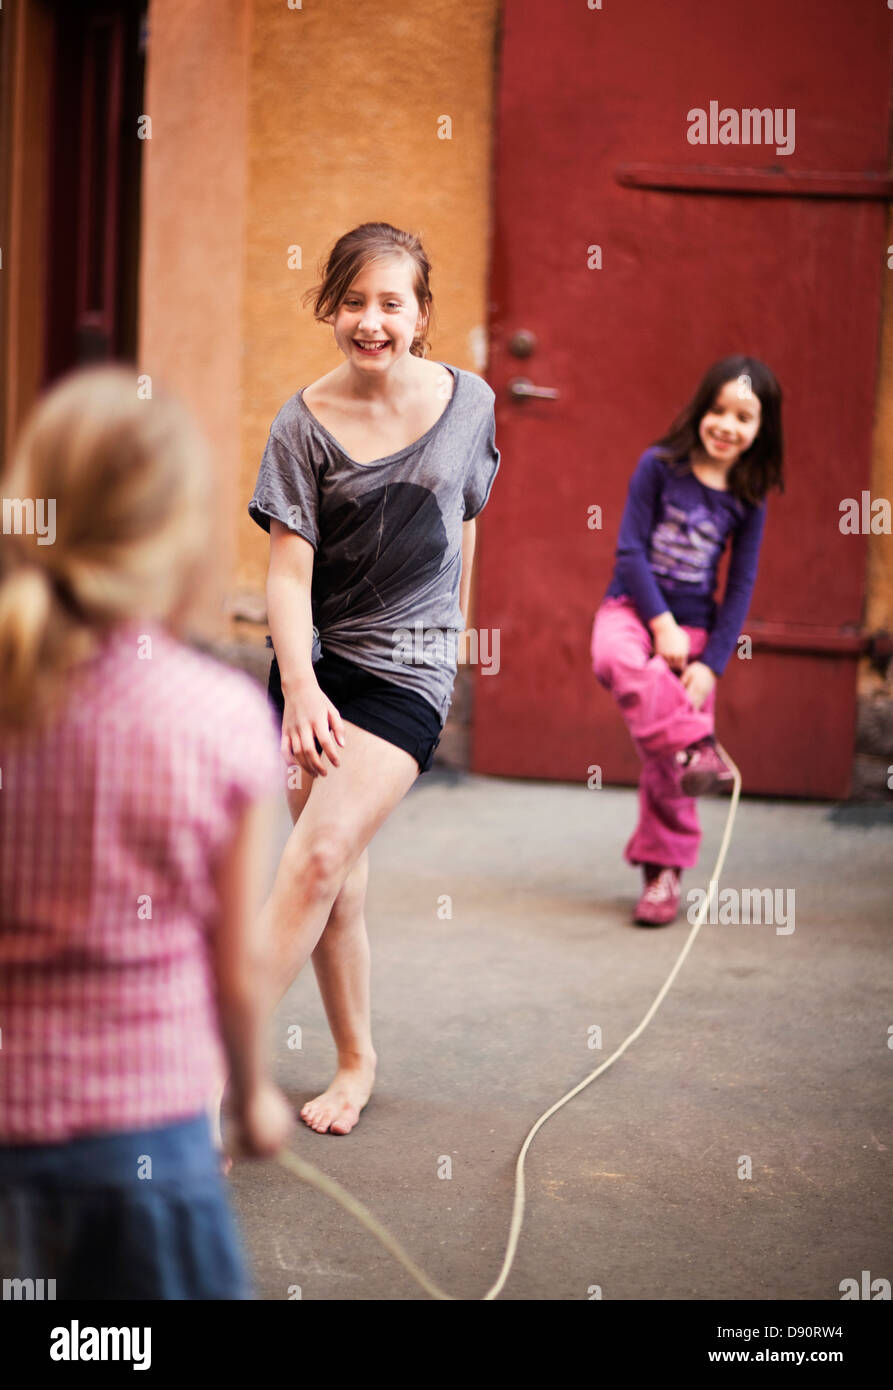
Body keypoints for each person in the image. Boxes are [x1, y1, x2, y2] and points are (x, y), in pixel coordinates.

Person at [0, 366, 293, 1299]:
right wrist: (250, 1098)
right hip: (145, 1149)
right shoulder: (221, 717)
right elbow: (234, 964)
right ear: (177, 537)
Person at [247, 221, 500, 1135]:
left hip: (407, 675)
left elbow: (461, 515)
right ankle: (355, 1062)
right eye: (353, 301)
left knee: (312, 857)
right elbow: (286, 572)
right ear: (331, 308)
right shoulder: (300, 424)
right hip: (315, 667)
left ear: (421, 313)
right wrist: (301, 685)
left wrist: (454, 631)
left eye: (391, 303)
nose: (371, 321)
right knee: (337, 880)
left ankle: (207, 1083)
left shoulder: (470, 402)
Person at [590, 355, 784, 927]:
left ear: (761, 429)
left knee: (667, 770)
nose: (727, 425)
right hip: (632, 609)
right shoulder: (659, 466)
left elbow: (741, 583)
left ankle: (663, 875)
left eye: (743, 417)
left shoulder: (749, 497)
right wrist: (660, 623)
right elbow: (629, 551)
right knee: (614, 655)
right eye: (718, 410)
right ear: (701, 410)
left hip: (699, 632)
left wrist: (713, 665)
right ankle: (697, 742)